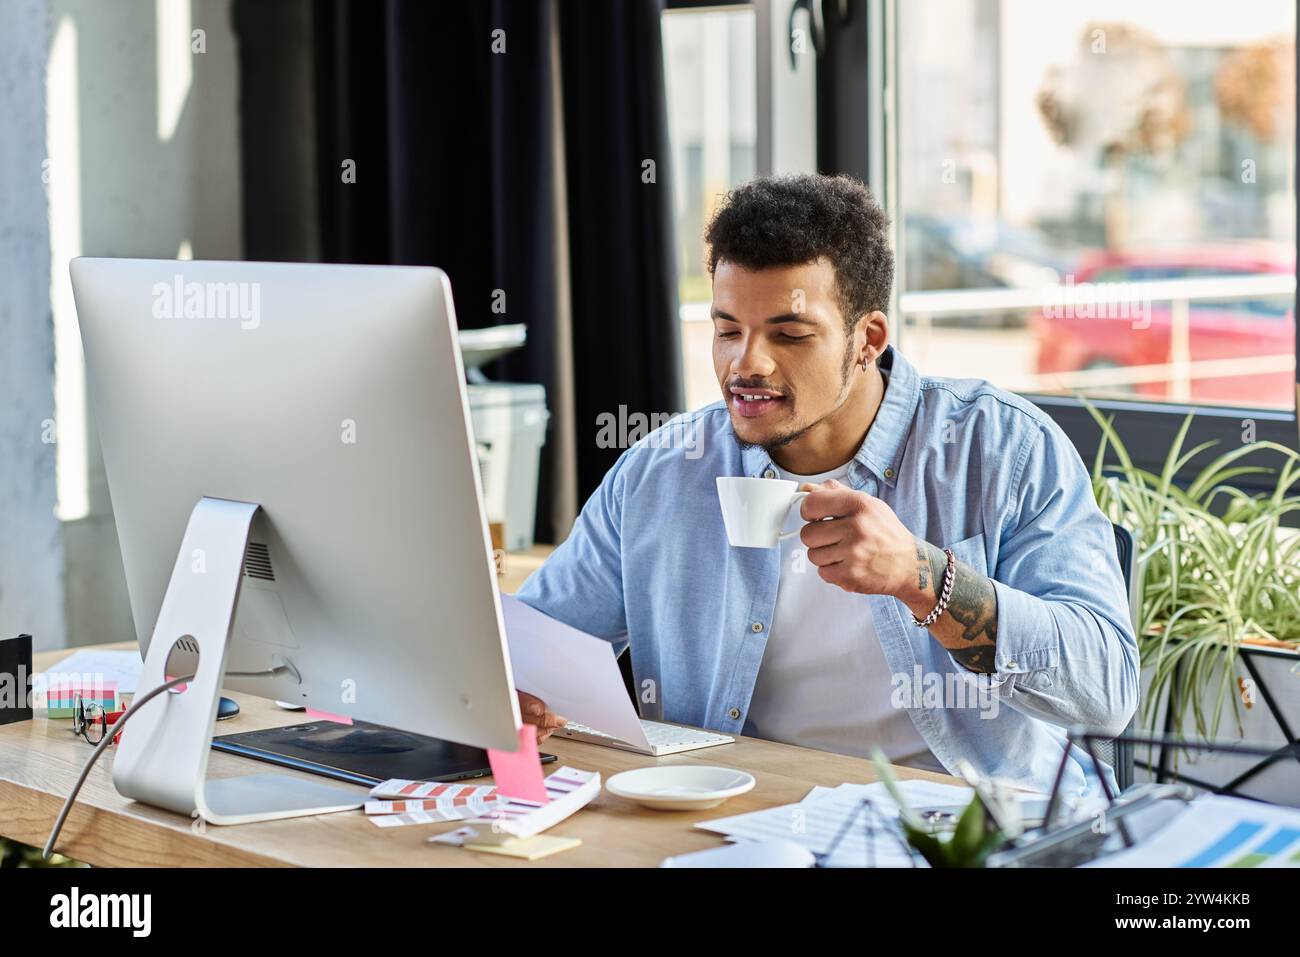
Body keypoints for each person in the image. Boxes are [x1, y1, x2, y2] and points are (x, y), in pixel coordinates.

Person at [515, 173, 1138, 798]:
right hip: (740, 816)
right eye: (728, 330)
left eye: (789, 334)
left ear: (866, 340)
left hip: (965, 822)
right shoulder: (663, 471)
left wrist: (922, 578)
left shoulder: (1001, 447)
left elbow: (1106, 692)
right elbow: (534, 648)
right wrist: (519, 688)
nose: (746, 364)